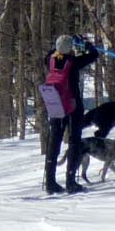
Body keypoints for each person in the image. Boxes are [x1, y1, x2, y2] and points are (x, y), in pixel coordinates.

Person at [39, 33, 100, 194]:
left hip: (55, 105)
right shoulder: (72, 62)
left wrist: (62, 45)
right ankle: (70, 181)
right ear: (69, 49)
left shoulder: (49, 59)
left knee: (54, 141)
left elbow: (54, 51)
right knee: (74, 142)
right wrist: (86, 45)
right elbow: (94, 54)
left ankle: (50, 183)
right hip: (73, 106)